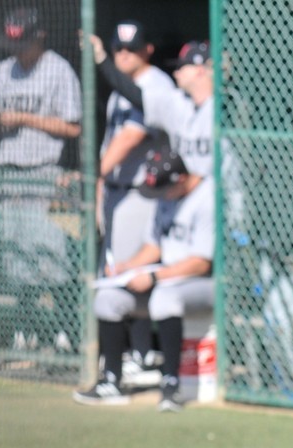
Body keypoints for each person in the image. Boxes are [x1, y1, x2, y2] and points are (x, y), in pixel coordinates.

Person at [78, 147, 214, 412]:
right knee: (108, 300)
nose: (160, 196)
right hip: (165, 277)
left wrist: (152, 276)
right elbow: (154, 247)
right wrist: (126, 268)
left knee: (165, 298)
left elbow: (201, 263)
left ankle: (170, 386)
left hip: (202, 284)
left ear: (181, 180)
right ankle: (112, 381)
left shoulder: (206, 198)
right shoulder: (167, 197)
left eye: (164, 189)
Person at [0, 6, 82, 326]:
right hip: (10, 171)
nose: (17, 49)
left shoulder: (59, 69)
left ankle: (64, 333)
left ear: (40, 36)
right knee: (16, 258)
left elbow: (73, 127)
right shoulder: (3, 70)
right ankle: (29, 333)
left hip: (45, 173)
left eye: (22, 42)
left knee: (50, 257)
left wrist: (25, 118)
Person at [90, 23, 176, 386]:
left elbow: (130, 137)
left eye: (131, 48)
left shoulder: (156, 84)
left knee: (126, 276)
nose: (124, 54)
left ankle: (138, 355)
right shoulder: (119, 89)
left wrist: (93, 175)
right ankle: (136, 352)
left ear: (148, 50)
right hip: (117, 189)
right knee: (117, 273)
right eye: (118, 49)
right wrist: (100, 186)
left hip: (140, 193)